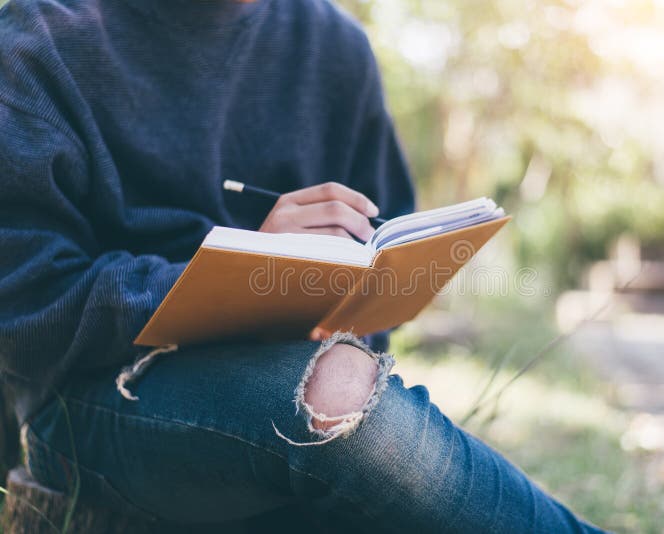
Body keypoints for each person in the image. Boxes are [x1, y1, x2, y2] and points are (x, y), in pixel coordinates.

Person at [0, 0, 606, 531]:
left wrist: (330, 299)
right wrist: (243, 279)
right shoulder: (42, 37)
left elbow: (384, 251)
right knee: (334, 391)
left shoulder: (335, 46)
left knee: (342, 390)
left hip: (290, 370)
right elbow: (25, 307)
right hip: (93, 398)